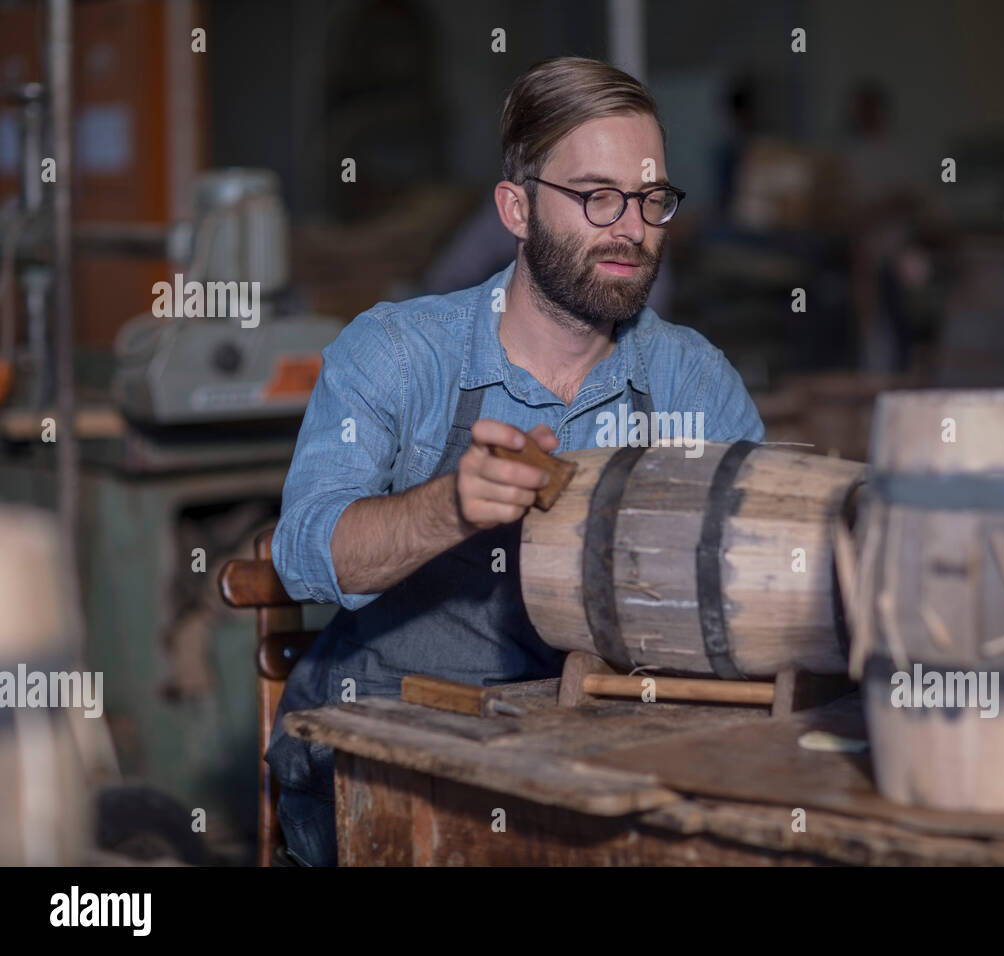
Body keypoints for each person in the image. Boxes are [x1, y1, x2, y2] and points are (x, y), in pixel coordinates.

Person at [266, 56, 765, 866]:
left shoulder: (691, 379)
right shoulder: (398, 352)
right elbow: (305, 557)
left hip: (596, 761)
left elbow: (760, 574)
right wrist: (449, 507)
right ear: (517, 208)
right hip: (391, 758)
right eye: (597, 196)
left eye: (651, 200)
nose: (631, 228)